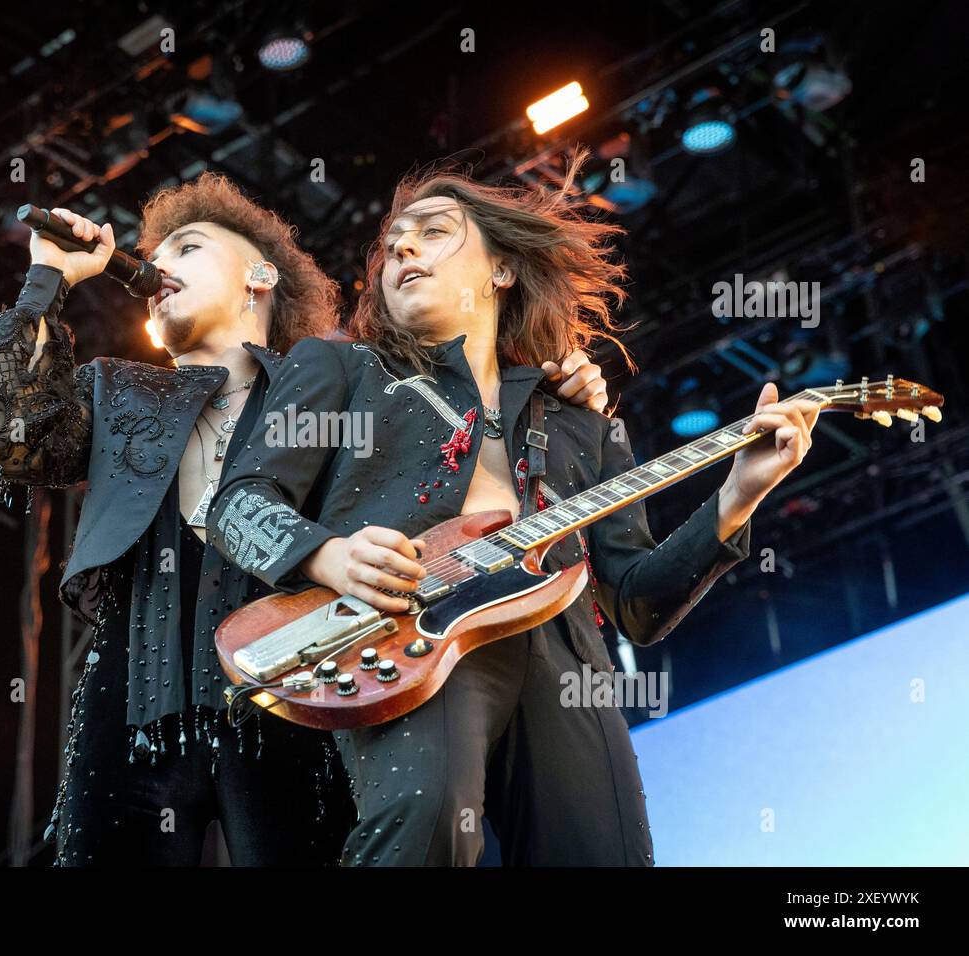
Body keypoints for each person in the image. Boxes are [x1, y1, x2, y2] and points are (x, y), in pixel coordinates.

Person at [0, 169, 617, 865]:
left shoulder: (351, 385)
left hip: (301, 698)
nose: (160, 267)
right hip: (132, 703)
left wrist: (555, 387)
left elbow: (455, 428)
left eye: (188, 247)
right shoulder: (120, 391)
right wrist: (49, 276)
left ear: (260, 275)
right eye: (156, 256)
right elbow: (12, 431)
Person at [207, 156, 820, 866]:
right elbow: (239, 505)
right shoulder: (341, 368)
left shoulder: (581, 420)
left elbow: (638, 604)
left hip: (564, 655)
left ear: (501, 269)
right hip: (408, 631)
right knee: (427, 822)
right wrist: (330, 557)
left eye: (433, 232)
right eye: (392, 243)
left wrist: (739, 494)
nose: (402, 248)